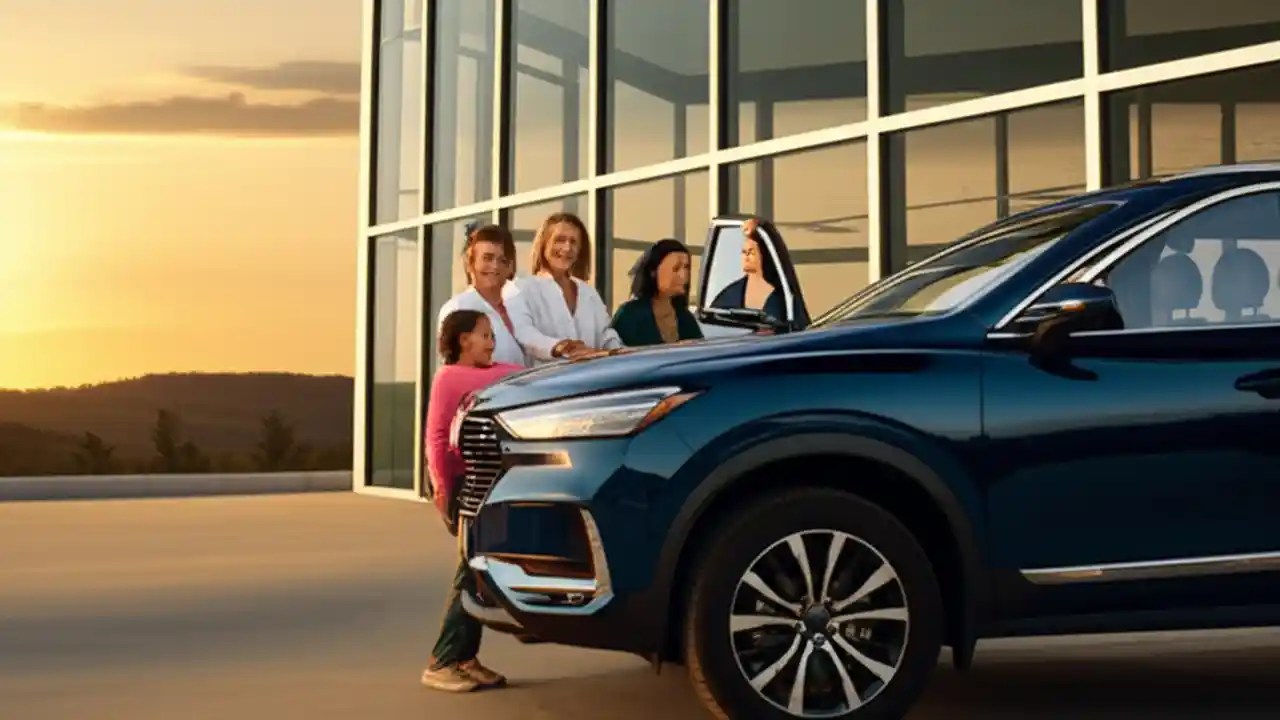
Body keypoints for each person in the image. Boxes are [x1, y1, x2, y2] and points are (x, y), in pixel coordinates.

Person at [421, 309, 522, 693]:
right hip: (463, 487)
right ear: (463, 340)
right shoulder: (448, 377)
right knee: (470, 571)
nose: (491, 340)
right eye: (484, 334)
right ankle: (442, 661)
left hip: (491, 482)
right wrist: (444, 491)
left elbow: (516, 374)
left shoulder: (498, 370)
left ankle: (464, 658)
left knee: (480, 572)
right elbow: (436, 438)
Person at [506, 211, 623, 364]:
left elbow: (606, 334)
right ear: (544, 244)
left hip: (591, 380)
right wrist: (562, 347)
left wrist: (617, 351)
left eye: (573, 242)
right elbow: (523, 333)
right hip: (545, 383)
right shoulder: (521, 288)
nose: (567, 248)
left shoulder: (588, 292)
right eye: (560, 240)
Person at [436, 223, 527, 367]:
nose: (495, 266)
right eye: (487, 258)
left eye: (502, 260)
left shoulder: (519, 305)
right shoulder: (459, 308)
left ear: (510, 267)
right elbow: (455, 371)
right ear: (470, 264)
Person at [611, 238, 704, 347]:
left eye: (686, 268)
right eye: (676, 268)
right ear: (653, 272)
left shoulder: (685, 317)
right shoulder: (629, 315)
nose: (684, 276)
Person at [710, 217, 788, 321]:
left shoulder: (781, 296)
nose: (746, 255)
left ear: (763, 255)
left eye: (751, 252)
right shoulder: (730, 294)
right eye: (743, 252)